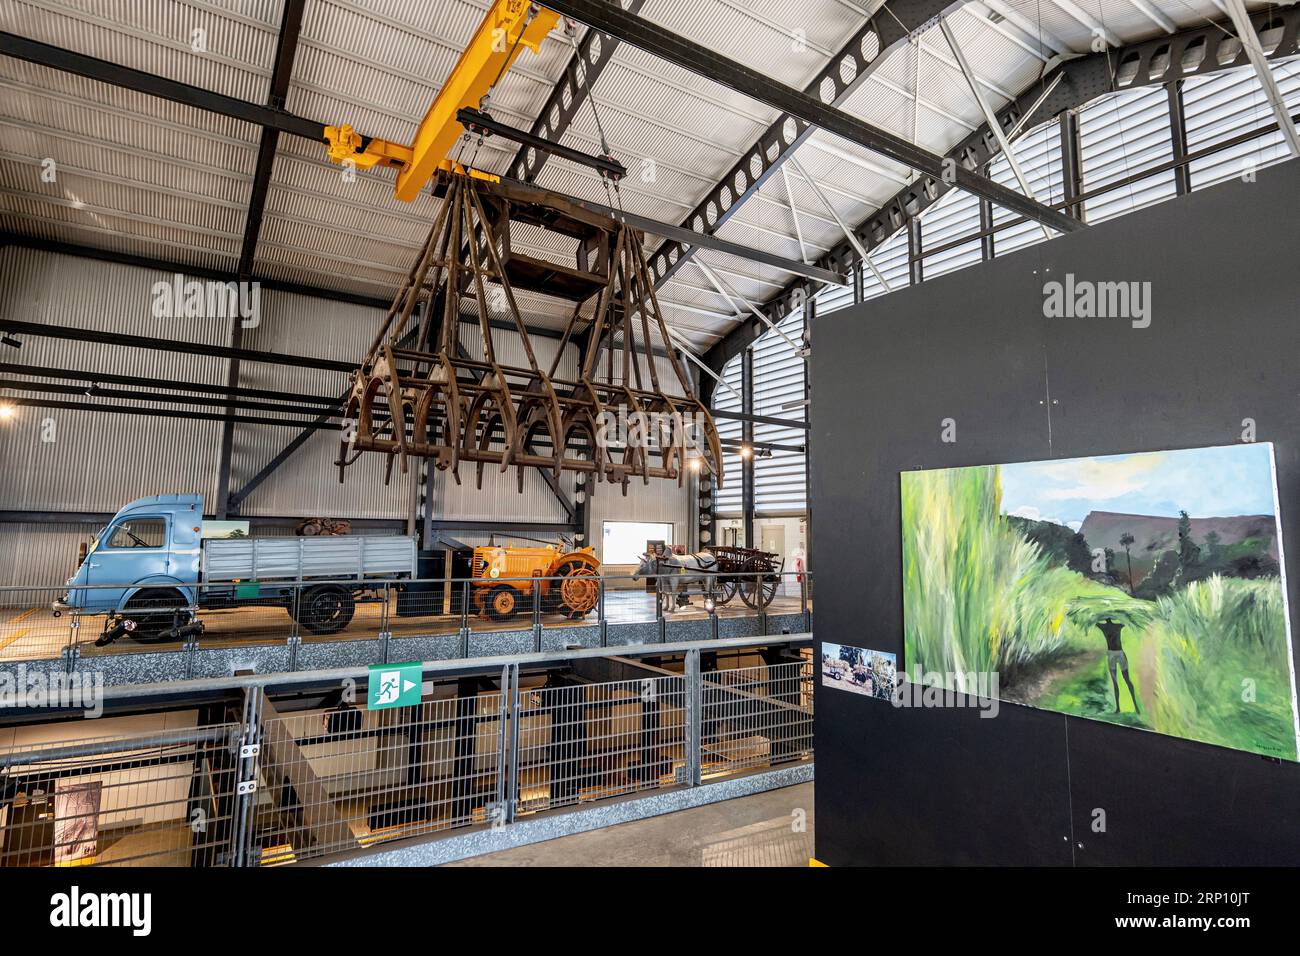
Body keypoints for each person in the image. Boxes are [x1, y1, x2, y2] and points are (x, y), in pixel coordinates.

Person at [1096, 617, 1139, 714]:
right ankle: (1131, 707)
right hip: (1118, 653)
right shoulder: (1117, 626)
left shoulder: (1103, 626)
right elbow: (1128, 621)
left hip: (1114, 654)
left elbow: (1094, 621)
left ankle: (1120, 708)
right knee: (1126, 680)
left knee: (1119, 682)